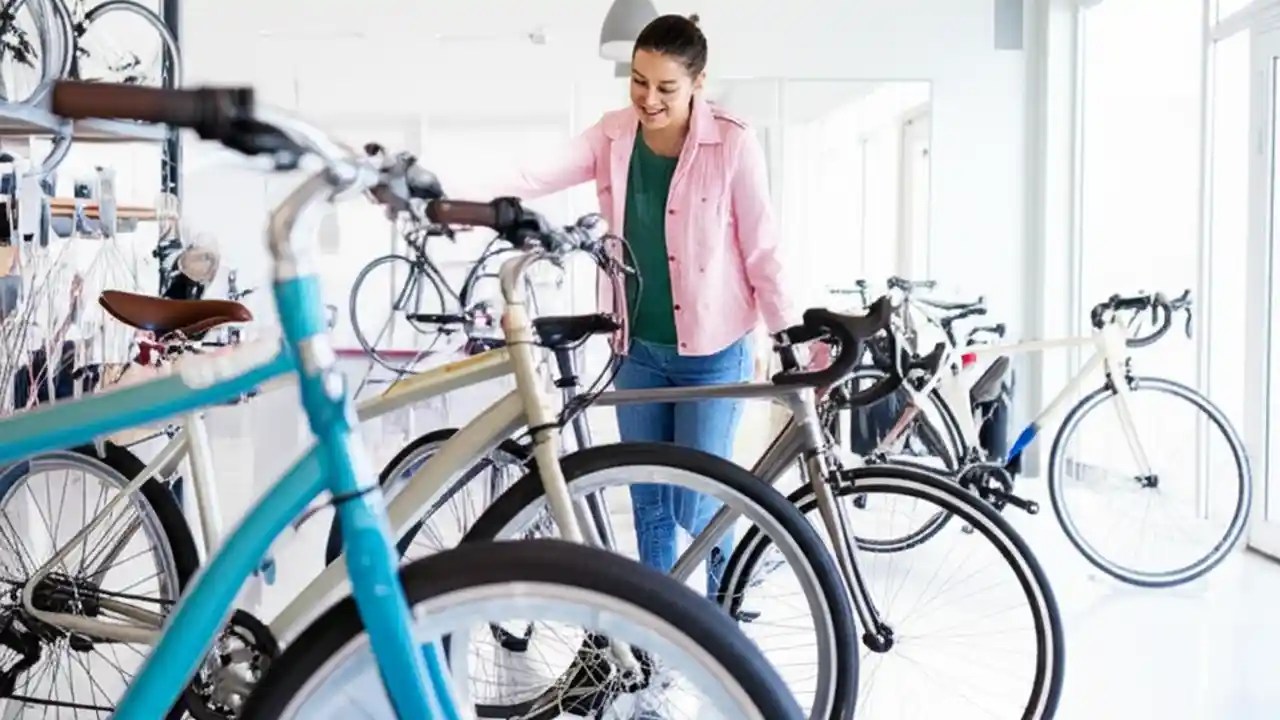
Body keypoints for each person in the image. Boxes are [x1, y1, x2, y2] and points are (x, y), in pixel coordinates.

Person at [481, 13, 804, 597]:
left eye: (665, 87)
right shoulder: (612, 134)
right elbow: (535, 173)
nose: (647, 99)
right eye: (637, 81)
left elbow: (762, 249)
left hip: (713, 353)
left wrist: (790, 340)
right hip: (635, 352)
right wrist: (459, 197)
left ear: (699, 82)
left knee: (697, 504)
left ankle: (721, 611)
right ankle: (661, 626)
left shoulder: (732, 140)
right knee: (649, 502)